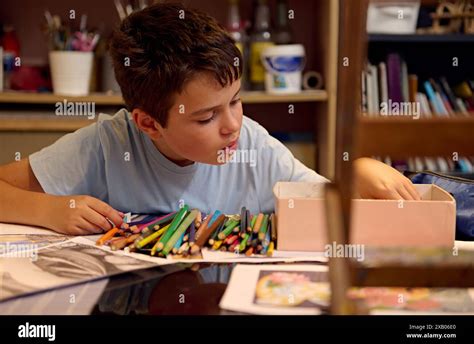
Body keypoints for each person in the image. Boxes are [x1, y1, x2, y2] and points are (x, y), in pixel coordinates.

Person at [0, 3, 420, 235]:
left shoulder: (252, 145)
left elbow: (323, 204)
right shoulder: (107, 144)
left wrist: (354, 175)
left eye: (236, 101)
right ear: (148, 123)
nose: (232, 125)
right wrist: (50, 210)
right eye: (205, 118)